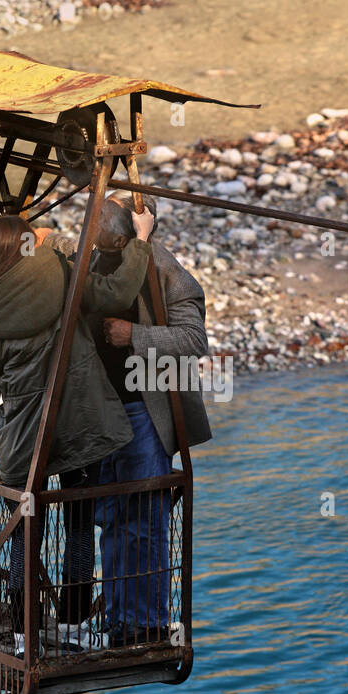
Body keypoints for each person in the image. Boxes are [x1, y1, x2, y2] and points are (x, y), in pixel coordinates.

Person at [0, 207, 156, 655]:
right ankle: (76, 621)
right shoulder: (63, 273)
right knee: (79, 524)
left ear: (1, 256)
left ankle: (25, 631)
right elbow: (119, 290)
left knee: (26, 532)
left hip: (25, 439)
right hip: (80, 423)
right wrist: (140, 240)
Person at [55, 193, 214, 648]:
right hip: (94, 414)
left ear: (125, 231)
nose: (88, 223)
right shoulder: (87, 256)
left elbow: (192, 340)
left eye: (99, 219)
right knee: (109, 515)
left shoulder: (164, 270)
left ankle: (143, 624)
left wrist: (134, 336)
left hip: (142, 411)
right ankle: (118, 620)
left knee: (143, 518)